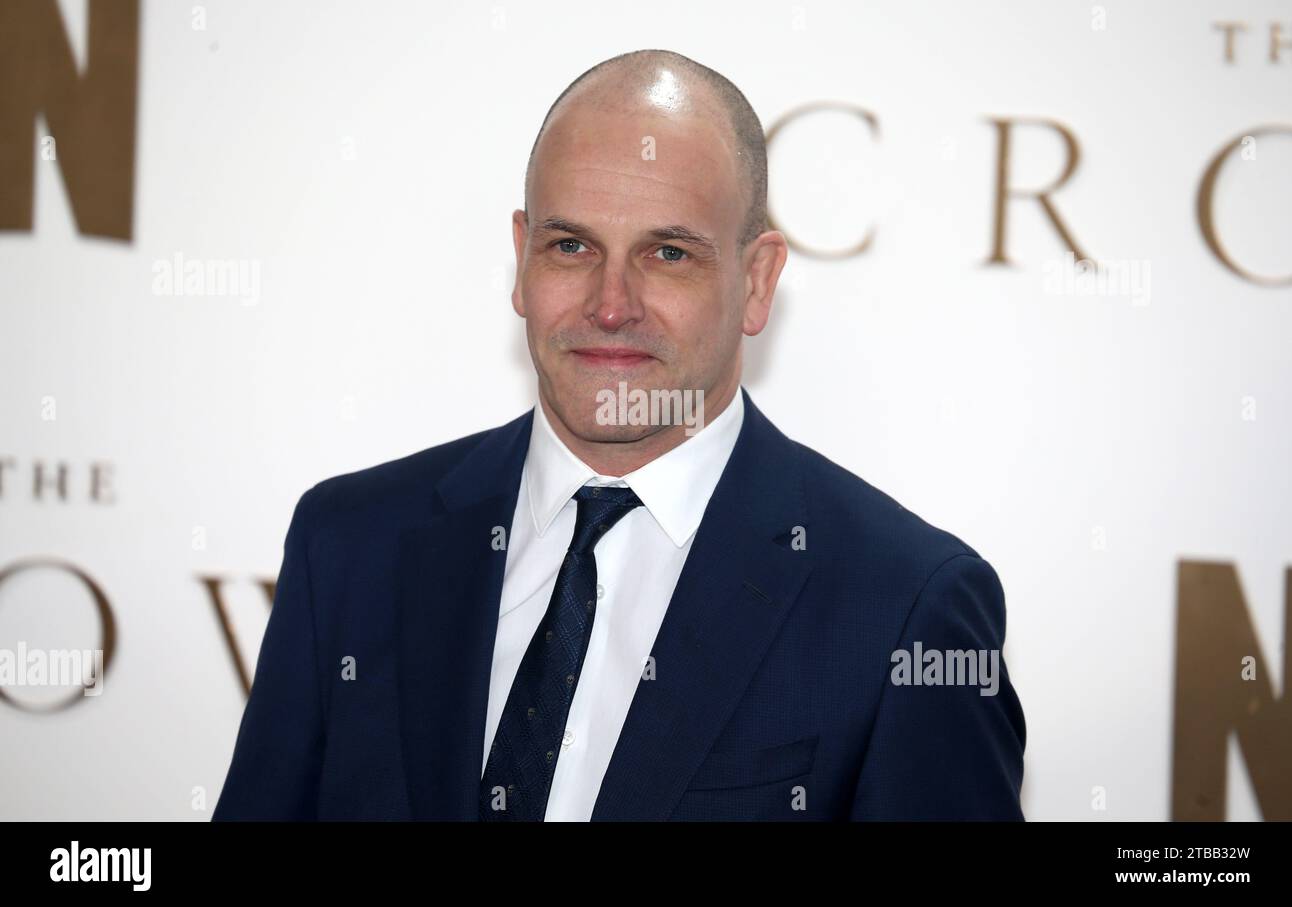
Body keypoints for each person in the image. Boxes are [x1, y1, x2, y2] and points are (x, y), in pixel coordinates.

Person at [213, 48, 1026, 822]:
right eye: (571, 246)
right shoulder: (351, 544)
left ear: (756, 281)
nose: (610, 304)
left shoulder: (903, 607)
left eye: (668, 253)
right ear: (521, 260)